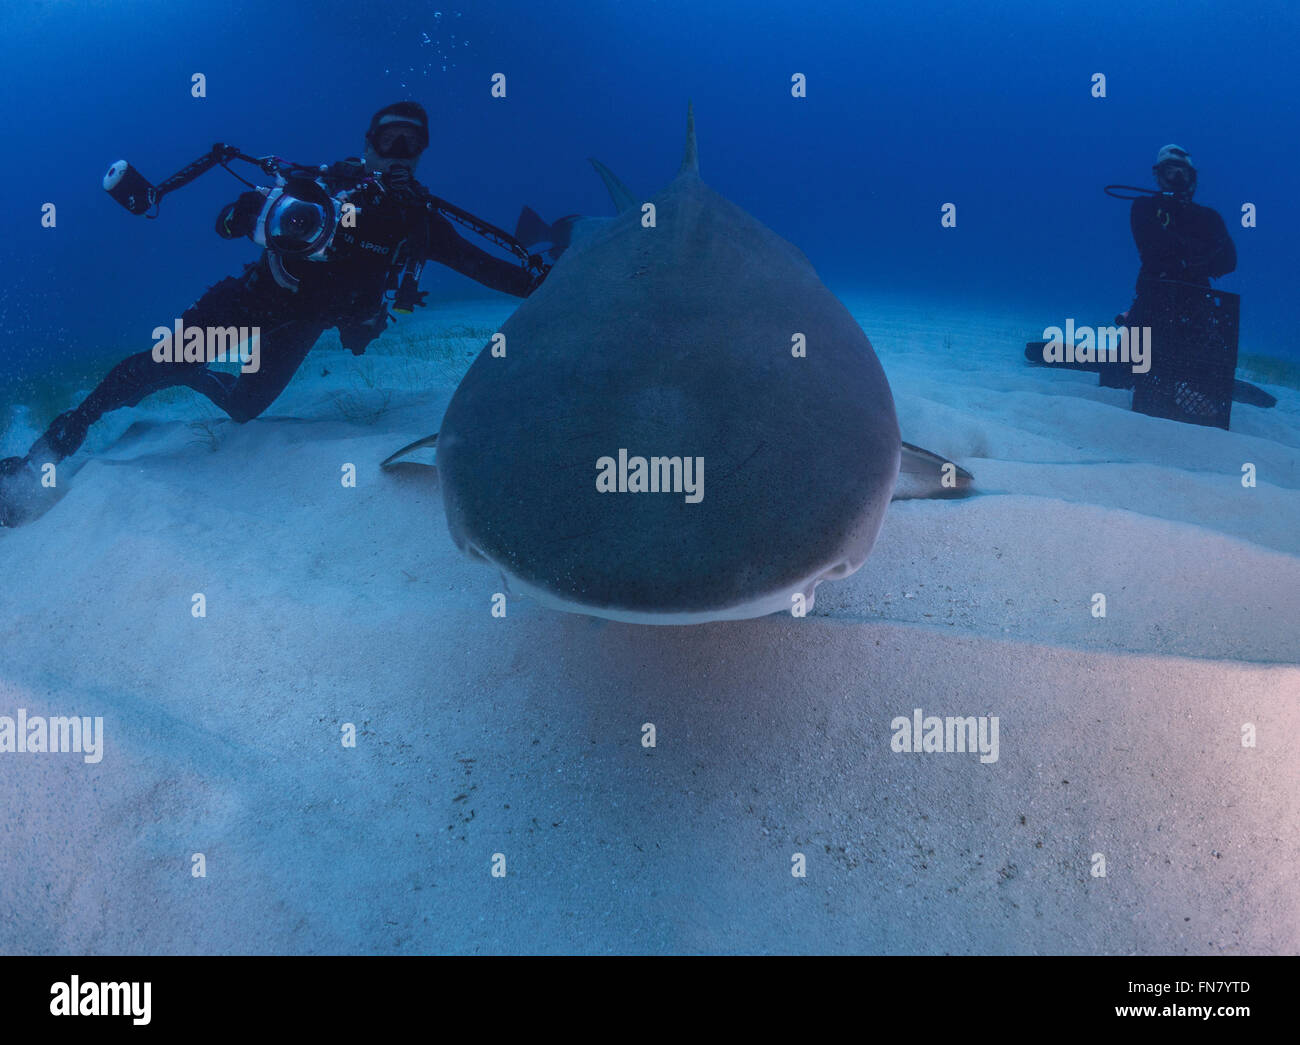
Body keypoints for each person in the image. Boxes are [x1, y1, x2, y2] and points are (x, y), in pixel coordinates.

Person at [0, 101, 545, 523]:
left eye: (412, 141)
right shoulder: (322, 185)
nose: (399, 150)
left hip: (301, 327)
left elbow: (500, 274)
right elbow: (225, 222)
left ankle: (195, 375)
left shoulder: (421, 225)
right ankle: (41, 455)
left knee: (242, 410)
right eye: (388, 138)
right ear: (369, 144)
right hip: (250, 301)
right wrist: (249, 210)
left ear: (422, 150)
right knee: (152, 367)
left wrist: (555, 278)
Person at [1103, 144, 1237, 390]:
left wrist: (1179, 253)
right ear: (1158, 175)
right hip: (1152, 300)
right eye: (1170, 171)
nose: (1176, 177)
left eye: (1182, 172)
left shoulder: (1210, 217)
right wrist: (1200, 254)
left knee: (1206, 381)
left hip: (1196, 305)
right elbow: (1153, 249)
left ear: (1192, 177)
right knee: (1118, 377)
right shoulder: (1145, 207)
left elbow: (1229, 260)